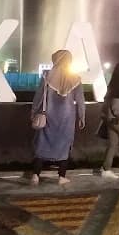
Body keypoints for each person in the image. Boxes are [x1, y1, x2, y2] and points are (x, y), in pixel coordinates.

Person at [30, 50, 85, 186]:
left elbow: (38, 96)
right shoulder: (76, 78)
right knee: (64, 146)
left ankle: (35, 175)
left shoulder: (47, 75)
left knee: (42, 144)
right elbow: (80, 100)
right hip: (67, 119)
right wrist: (82, 116)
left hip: (48, 116)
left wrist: (33, 111)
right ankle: (61, 177)